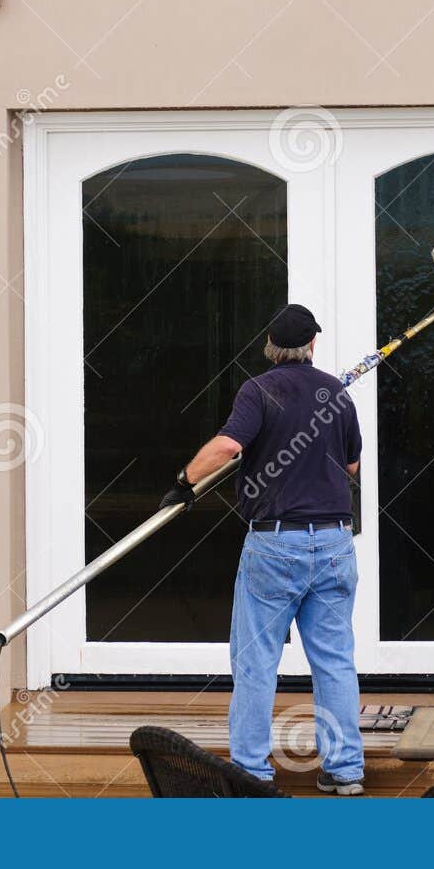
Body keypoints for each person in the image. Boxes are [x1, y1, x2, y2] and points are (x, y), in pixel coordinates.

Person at [163, 303, 364, 795]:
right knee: (334, 660)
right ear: (313, 345)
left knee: (256, 661)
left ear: (270, 348)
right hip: (335, 541)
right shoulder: (336, 394)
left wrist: (185, 482)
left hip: (277, 544)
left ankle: (252, 772)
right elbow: (353, 469)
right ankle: (345, 771)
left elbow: (228, 447)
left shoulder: (259, 390)